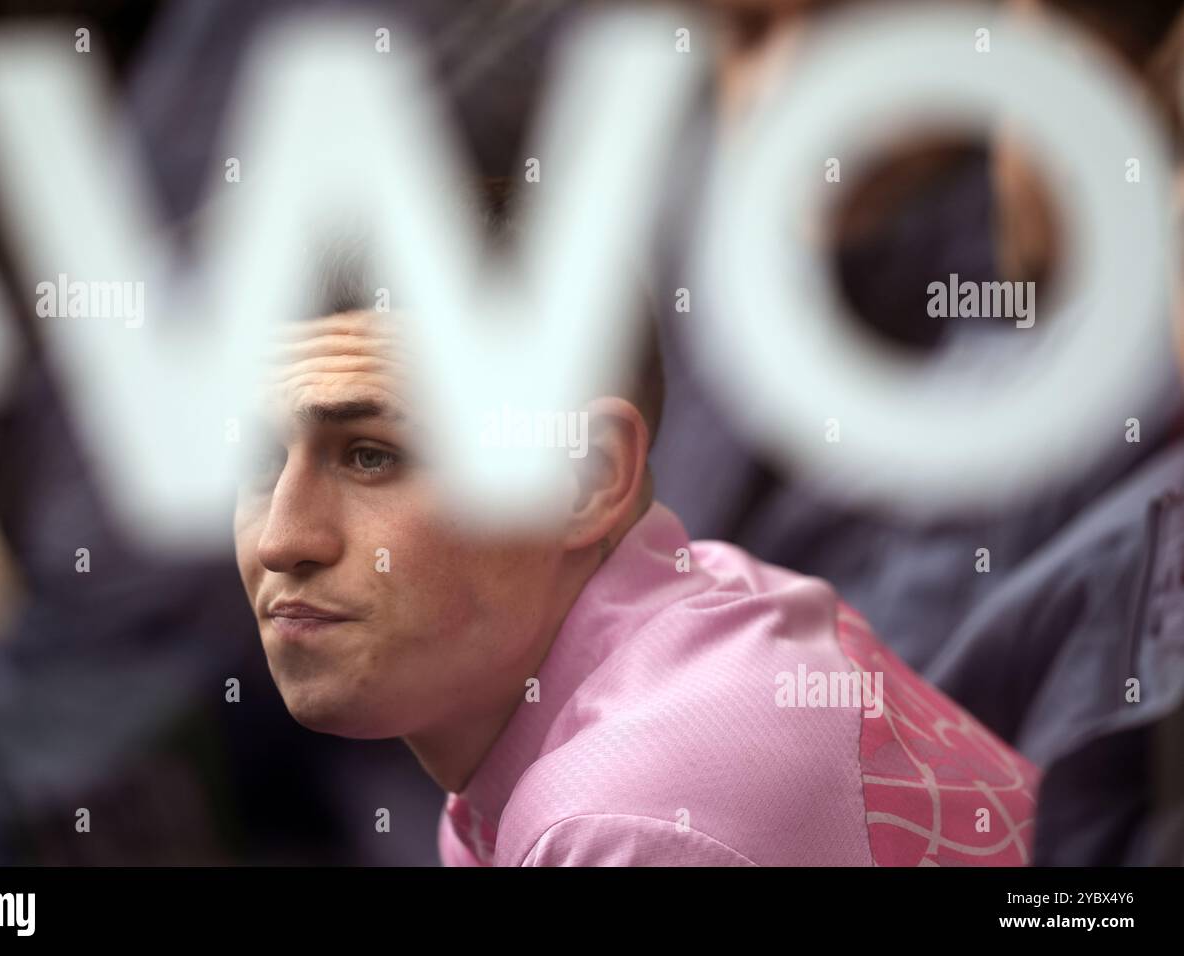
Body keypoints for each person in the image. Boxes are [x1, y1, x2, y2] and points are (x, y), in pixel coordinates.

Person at [232, 179, 1039, 865]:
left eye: (372, 456)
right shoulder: (699, 609)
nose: (283, 539)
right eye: (260, 463)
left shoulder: (632, 817)